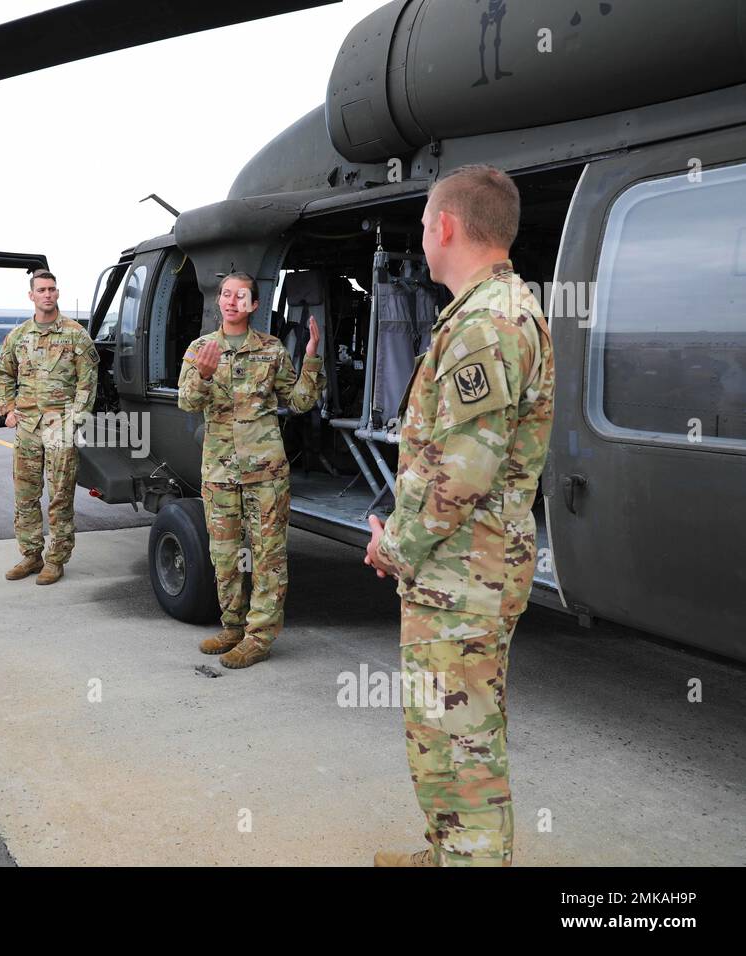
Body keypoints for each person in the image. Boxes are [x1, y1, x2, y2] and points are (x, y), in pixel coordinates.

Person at [365, 165, 555, 867]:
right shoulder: (493, 309)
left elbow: (466, 471)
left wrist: (399, 546)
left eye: (421, 224)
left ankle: (469, 857)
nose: (422, 236)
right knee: (448, 730)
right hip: (462, 565)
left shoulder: (485, 324)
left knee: (461, 740)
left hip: (461, 573)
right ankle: (449, 854)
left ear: (444, 225)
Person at [178, 272, 325, 669]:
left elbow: (298, 403)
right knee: (225, 555)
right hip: (220, 471)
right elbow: (188, 403)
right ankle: (231, 625)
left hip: (265, 473)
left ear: (254, 305)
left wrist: (312, 355)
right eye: (225, 294)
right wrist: (204, 374)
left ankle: (259, 637)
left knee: (267, 556)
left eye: (240, 296)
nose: (231, 301)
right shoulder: (201, 348)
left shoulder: (273, 350)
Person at [0, 271, 97, 585]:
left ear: (57, 293)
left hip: (59, 426)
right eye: (41, 290)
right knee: (25, 494)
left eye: (52, 289)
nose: (48, 294)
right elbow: (4, 376)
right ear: (32, 296)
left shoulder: (75, 334)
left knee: (60, 495)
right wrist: (8, 409)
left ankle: (56, 559)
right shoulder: (18, 336)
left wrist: (75, 418)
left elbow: (88, 380)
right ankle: (30, 555)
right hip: (26, 426)